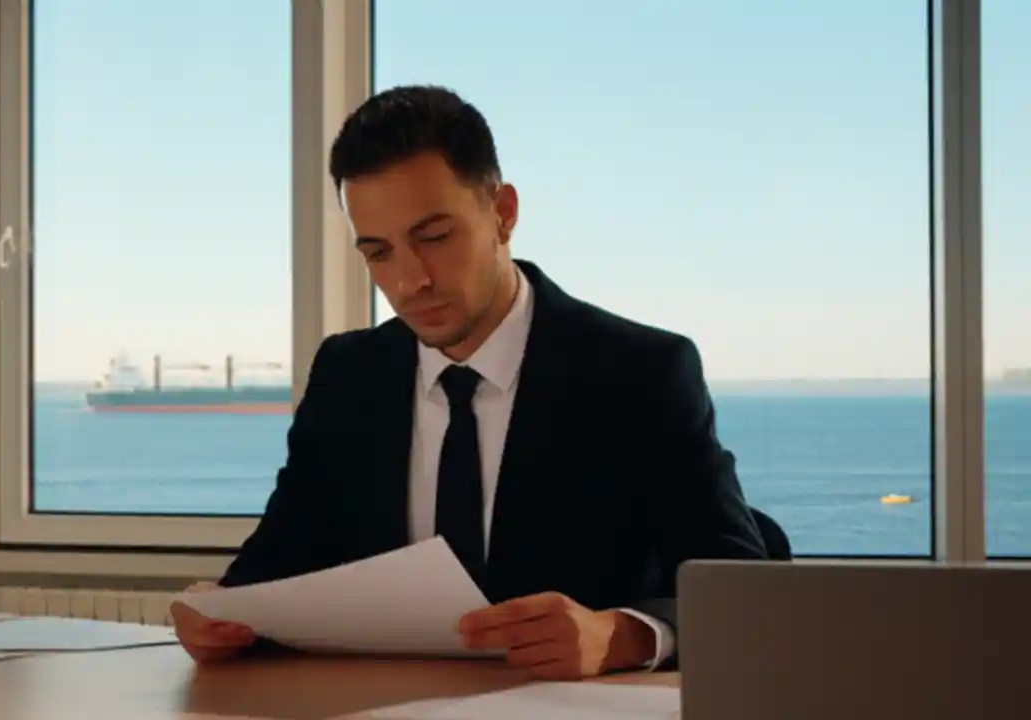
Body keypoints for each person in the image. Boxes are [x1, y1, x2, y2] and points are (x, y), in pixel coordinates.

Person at [171, 85, 766, 678]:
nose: (409, 282)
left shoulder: (641, 370)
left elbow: (740, 585)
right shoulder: (348, 376)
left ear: (502, 213)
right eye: (378, 254)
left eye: (433, 238)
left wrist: (626, 635)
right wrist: (218, 613)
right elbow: (276, 563)